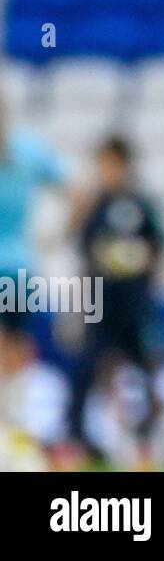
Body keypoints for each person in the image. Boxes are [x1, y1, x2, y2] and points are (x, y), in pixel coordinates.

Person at [64, 134, 164, 470]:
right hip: (100, 299)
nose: (106, 171)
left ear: (125, 166)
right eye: (102, 164)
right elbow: (79, 246)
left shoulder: (142, 205)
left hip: (134, 302)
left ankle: (149, 441)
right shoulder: (93, 206)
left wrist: (141, 267)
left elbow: (159, 248)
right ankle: (76, 442)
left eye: (112, 164)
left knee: (146, 372)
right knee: (86, 370)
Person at [0, 99, 70, 471]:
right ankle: (16, 430)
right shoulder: (27, 150)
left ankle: (10, 432)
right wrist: (57, 238)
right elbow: (76, 189)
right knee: (16, 348)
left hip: (9, 268)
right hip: (21, 266)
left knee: (9, 349)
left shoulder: (25, 151)